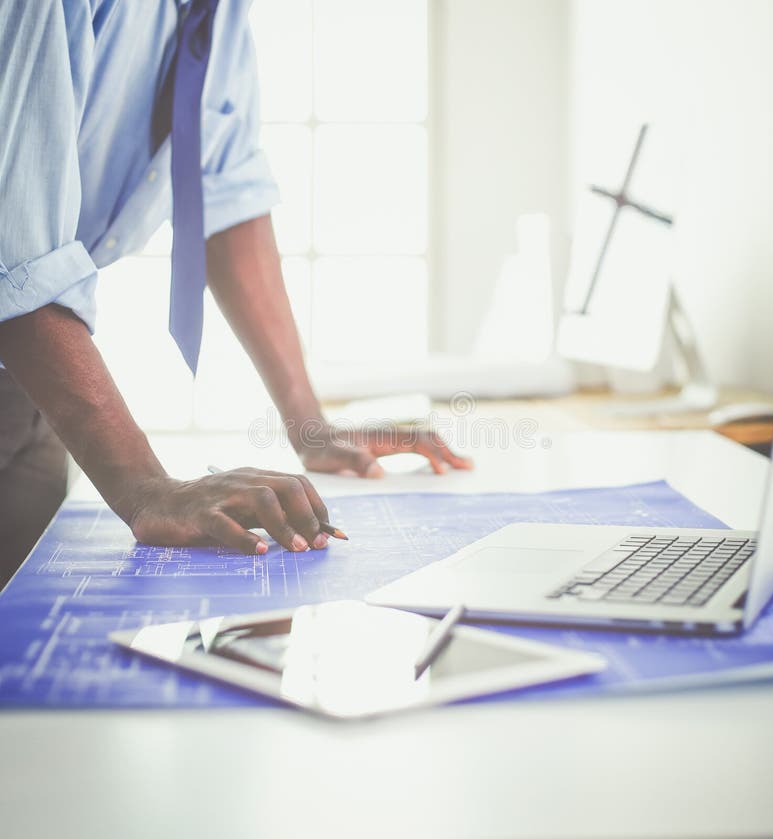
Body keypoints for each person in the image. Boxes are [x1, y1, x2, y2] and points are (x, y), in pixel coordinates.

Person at [0, 0, 471, 587]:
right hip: (29, 335)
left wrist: (310, 427)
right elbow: (11, 254)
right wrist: (145, 489)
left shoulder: (215, 14)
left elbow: (226, 195)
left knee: (21, 636)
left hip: (35, 373)